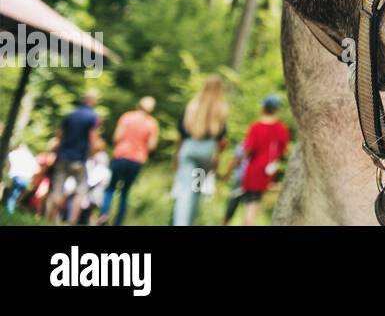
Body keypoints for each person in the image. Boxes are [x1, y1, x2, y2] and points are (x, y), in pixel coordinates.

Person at [221, 94, 290, 226]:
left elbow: (247, 150)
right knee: (253, 205)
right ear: (276, 110)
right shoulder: (281, 128)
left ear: (263, 108)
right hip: (266, 173)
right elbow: (283, 150)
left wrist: (234, 164)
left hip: (252, 172)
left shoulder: (256, 127)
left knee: (248, 207)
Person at [171, 75, 228, 225]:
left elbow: (181, 134)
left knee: (185, 192)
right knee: (196, 191)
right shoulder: (221, 109)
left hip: (189, 148)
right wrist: (216, 158)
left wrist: (176, 156)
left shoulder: (192, 106)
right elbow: (221, 140)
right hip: (207, 153)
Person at [98, 95, 161, 226]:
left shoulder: (127, 117)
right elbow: (151, 146)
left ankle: (104, 215)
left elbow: (117, 137)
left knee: (110, 188)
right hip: (137, 160)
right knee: (125, 192)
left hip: (121, 155)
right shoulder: (152, 123)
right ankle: (118, 222)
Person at [44, 88, 103, 222]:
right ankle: (72, 222)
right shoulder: (93, 117)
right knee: (80, 192)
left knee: (57, 189)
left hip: (63, 157)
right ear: (94, 101)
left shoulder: (71, 115)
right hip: (79, 160)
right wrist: (94, 157)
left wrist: (54, 152)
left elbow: (59, 136)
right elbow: (93, 141)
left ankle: (48, 220)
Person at [4, 140, 39, 215]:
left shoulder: (14, 153)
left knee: (11, 196)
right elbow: (36, 169)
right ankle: (9, 211)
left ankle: (8, 212)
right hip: (26, 179)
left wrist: (8, 172)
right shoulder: (31, 157)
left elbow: (7, 164)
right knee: (15, 195)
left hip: (16, 176)